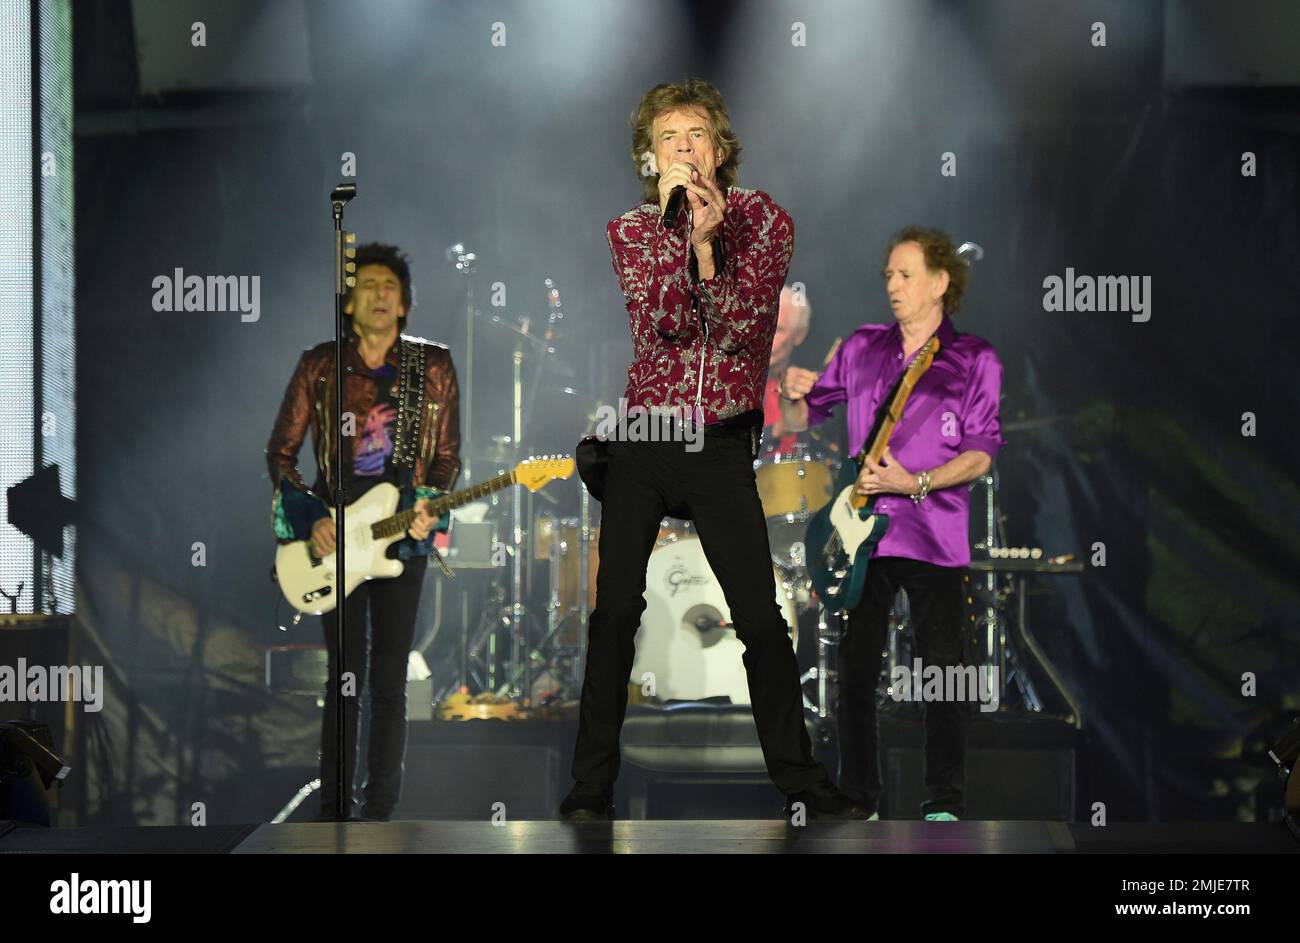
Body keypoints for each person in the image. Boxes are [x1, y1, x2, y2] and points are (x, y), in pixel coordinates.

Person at [561, 78, 869, 821]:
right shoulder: (631, 232)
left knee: (760, 618)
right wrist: (679, 239)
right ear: (649, 159)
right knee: (613, 613)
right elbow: (663, 321)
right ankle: (590, 789)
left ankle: (803, 782)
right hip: (646, 439)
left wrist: (709, 246)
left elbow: (739, 328)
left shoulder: (765, 221)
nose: (684, 149)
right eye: (668, 139)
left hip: (722, 441)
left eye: (695, 135)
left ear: (720, 148)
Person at [779, 226, 1005, 820]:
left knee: (943, 676)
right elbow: (804, 418)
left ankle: (944, 798)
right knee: (855, 670)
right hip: (863, 535)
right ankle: (859, 794)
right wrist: (793, 390)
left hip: (936, 534)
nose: (893, 286)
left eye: (906, 275)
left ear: (940, 282)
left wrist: (917, 482)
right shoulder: (861, 346)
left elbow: (983, 450)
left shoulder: (974, 357)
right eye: (888, 275)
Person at [266, 242, 460, 821]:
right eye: (368, 284)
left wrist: (429, 502)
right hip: (335, 537)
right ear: (348, 301)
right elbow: (281, 453)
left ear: (405, 305)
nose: (379, 293)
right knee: (343, 677)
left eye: (389, 287)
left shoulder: (433, 366)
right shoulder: (320, 365)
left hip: (401, 537)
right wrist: (311, 518)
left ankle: (379, 813)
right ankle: (333, 812)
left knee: (389, 680)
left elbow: (447, 457)